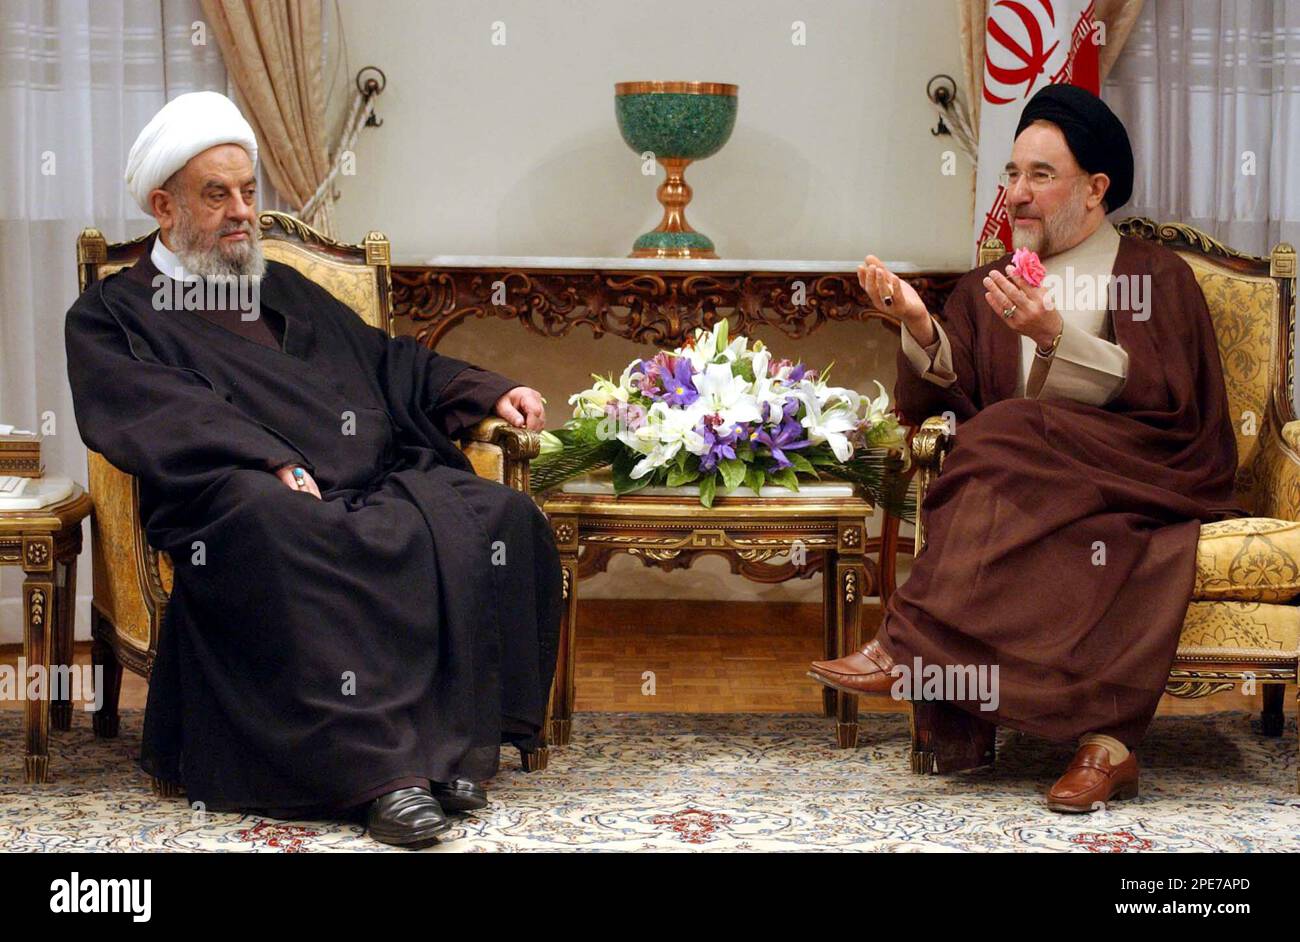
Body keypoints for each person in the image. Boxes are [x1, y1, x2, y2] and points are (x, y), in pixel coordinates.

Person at [65, 92, 562, 847]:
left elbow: (391, 363)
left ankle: (457, 743)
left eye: (248, 191)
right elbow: (147, 409)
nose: (241, 211)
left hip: (369, 482)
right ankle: (376, 776)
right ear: (164, 207)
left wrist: (488, 391)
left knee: (499, 515)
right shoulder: (114, 312)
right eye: (216, 194)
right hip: (234, 497)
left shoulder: (284, 288)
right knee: (285, 525)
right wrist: (264, 457)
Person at [809, 84, 1243, 812]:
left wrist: (1055, 336)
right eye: (1012, 174)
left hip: (1150, 470)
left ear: (1096, 188)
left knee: (1009, 429)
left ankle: (905, 642)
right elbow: (954, 396)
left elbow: (1173, 401)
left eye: (1040, 174)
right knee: (1009, 442)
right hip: (1046, 497)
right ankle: (1107, 747)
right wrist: (918, 324)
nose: (1017, 193)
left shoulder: (1151, 275)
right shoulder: (989, 284)